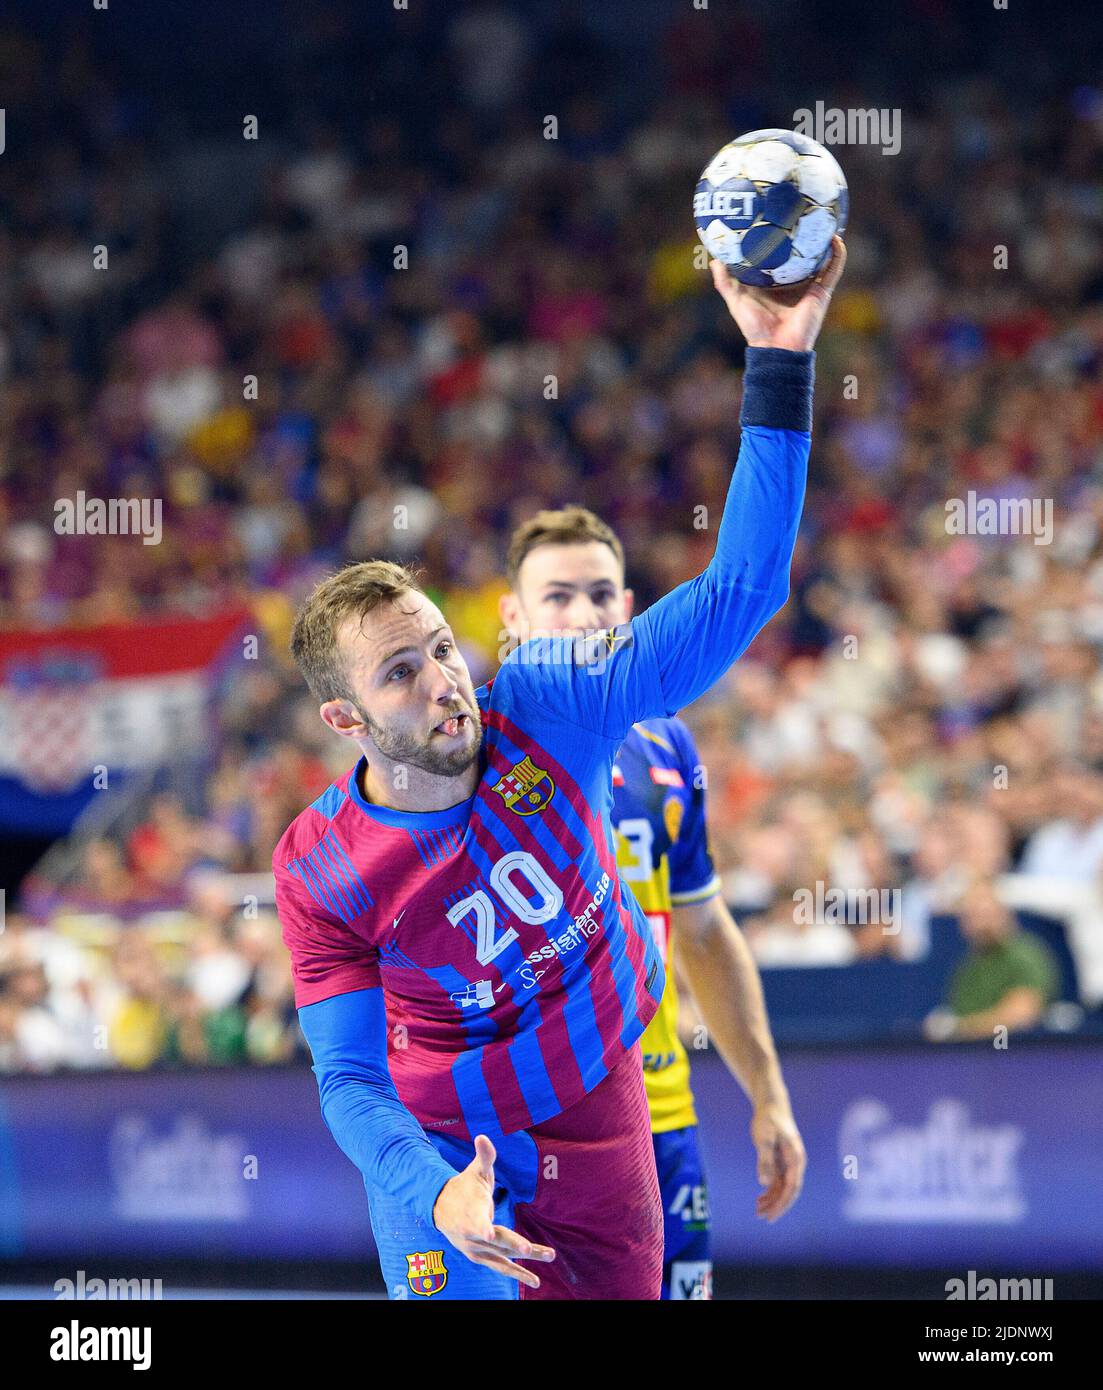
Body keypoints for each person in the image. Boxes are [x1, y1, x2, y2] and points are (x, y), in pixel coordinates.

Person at [272, 241, 845, 1301]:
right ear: (345, 718)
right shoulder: (321, 867)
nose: (444, 681)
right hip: (443, 1149)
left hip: (598, 1112)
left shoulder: (545, 700)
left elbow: (741, 591)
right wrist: (425, 1185)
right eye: (402, 673)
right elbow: (348, 1076)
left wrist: (776, 357)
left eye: (442, 647)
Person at [498, 503, 805, 1300]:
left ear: (628, 611)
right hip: (529, 1137)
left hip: (661, 1116)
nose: (582, 613)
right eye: (557, 596)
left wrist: (766, 1093)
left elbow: (703, 930)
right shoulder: (481, 755)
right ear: (512, 617)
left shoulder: (666, 745)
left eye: (601, 595)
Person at [924, 880, 1059, 1042]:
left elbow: (1021, 1015)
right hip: (973, 1059)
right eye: (973, 915)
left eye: (986, 913)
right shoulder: (968, 966)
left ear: (1005, 914)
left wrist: (957, 1028)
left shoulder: (1026, 954)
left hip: (1019, 1056)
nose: (981, 923)